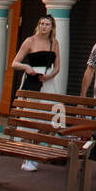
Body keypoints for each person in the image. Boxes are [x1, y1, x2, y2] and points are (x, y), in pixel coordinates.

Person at [10, 15, 61, 171]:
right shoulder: (29, 41)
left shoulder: (54, 43)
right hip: (31, 80)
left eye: (47, 24)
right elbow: (15, 63)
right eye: (41, 24)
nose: (44, 26)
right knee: (30, 115)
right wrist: (26, 68)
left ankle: (35, 150)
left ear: (52, 27)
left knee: (46, 118)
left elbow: (57, 66)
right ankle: (27, 156)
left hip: (47, 81)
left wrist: (50, 75)